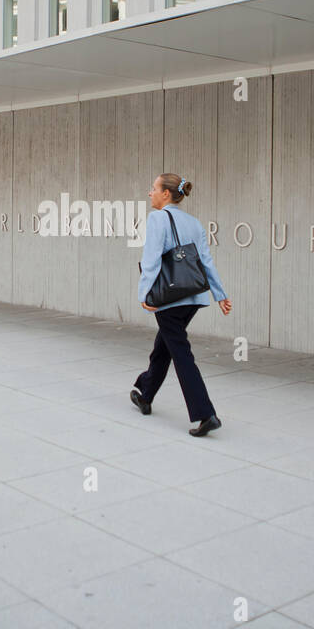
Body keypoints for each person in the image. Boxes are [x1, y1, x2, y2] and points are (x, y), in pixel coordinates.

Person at [132, 173, 232, 437]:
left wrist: (144, 295)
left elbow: (152, 260)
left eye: (153, 188)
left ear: (166, 194)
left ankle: (205, 414)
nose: (149, 193)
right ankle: (145, 394)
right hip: (192, 298)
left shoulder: (158, 218)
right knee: (164, 346)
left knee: (181, 354)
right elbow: (205, 262)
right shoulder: (195, 223)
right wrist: (220, 294)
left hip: (169, 298)